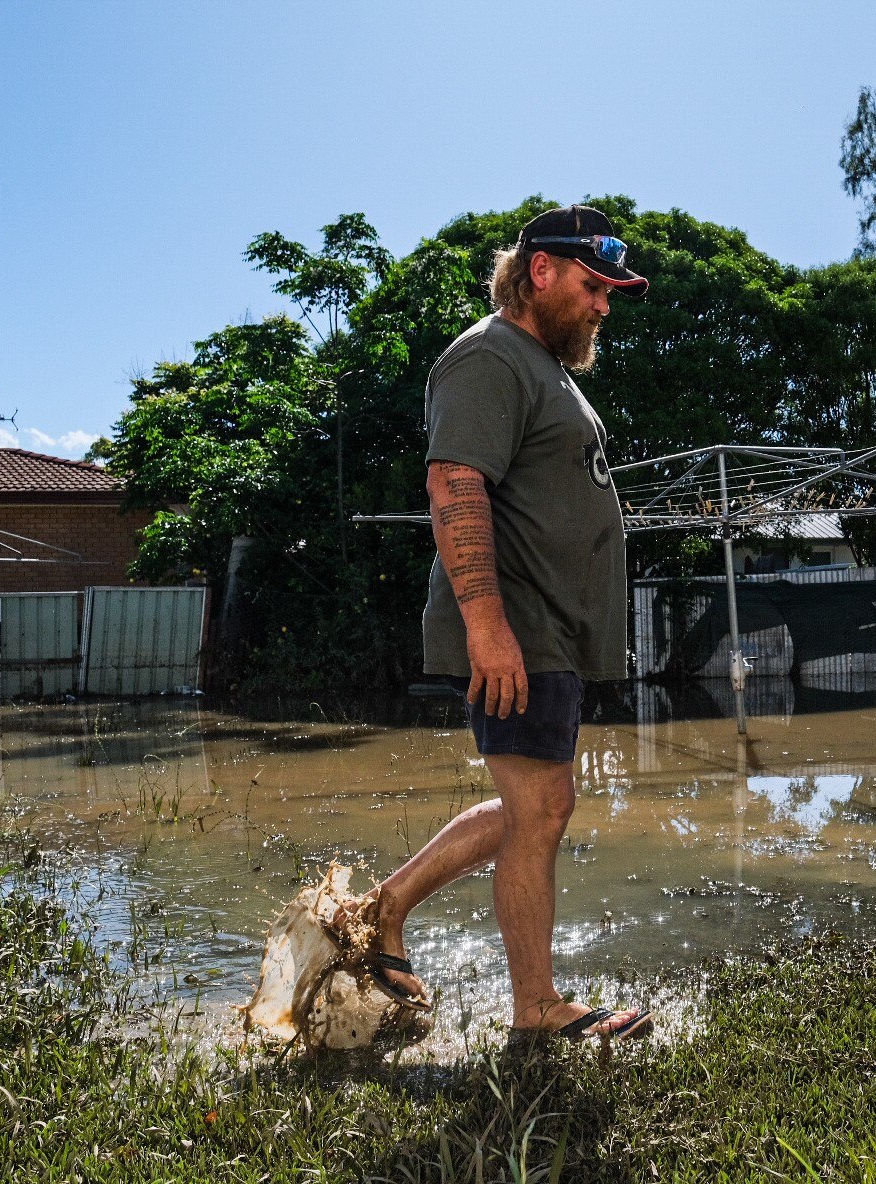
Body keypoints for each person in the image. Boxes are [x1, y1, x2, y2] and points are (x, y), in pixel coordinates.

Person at [366, 205, 652, 1042]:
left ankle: (382, 912)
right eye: (594, 287)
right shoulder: (489, 356)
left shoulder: (542, 367)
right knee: (543, 805)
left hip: (551, 631)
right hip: (516, 627)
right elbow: (455, 484)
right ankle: (536, 1009)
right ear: (541, 272)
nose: (604, 306)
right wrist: (487, 627)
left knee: (535, 806)